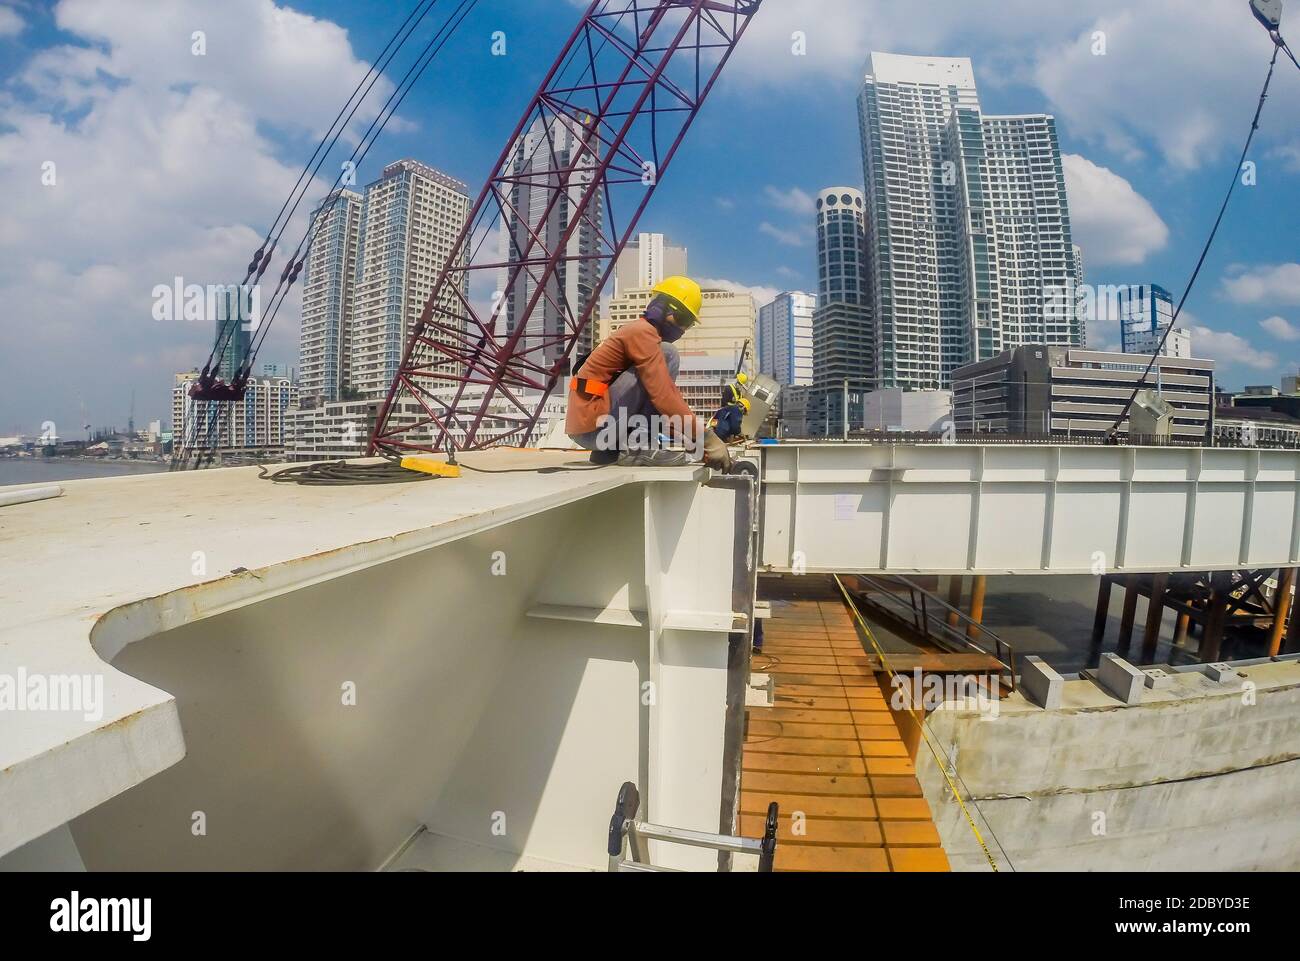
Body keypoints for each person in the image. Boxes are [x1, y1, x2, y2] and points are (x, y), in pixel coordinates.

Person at [567, 276, 731, 470]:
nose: (683, 329)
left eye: (689, 324)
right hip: (594, 429)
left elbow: (658, 408)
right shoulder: (643, 332)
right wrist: (707, 438)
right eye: (683, 319)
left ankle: (612, 451)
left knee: (662, 361)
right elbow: (663, 396)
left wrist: (691, 441)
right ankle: (639, 447)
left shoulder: (640, 333)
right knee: (668, 352)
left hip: (596, 429)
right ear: (664, 309)